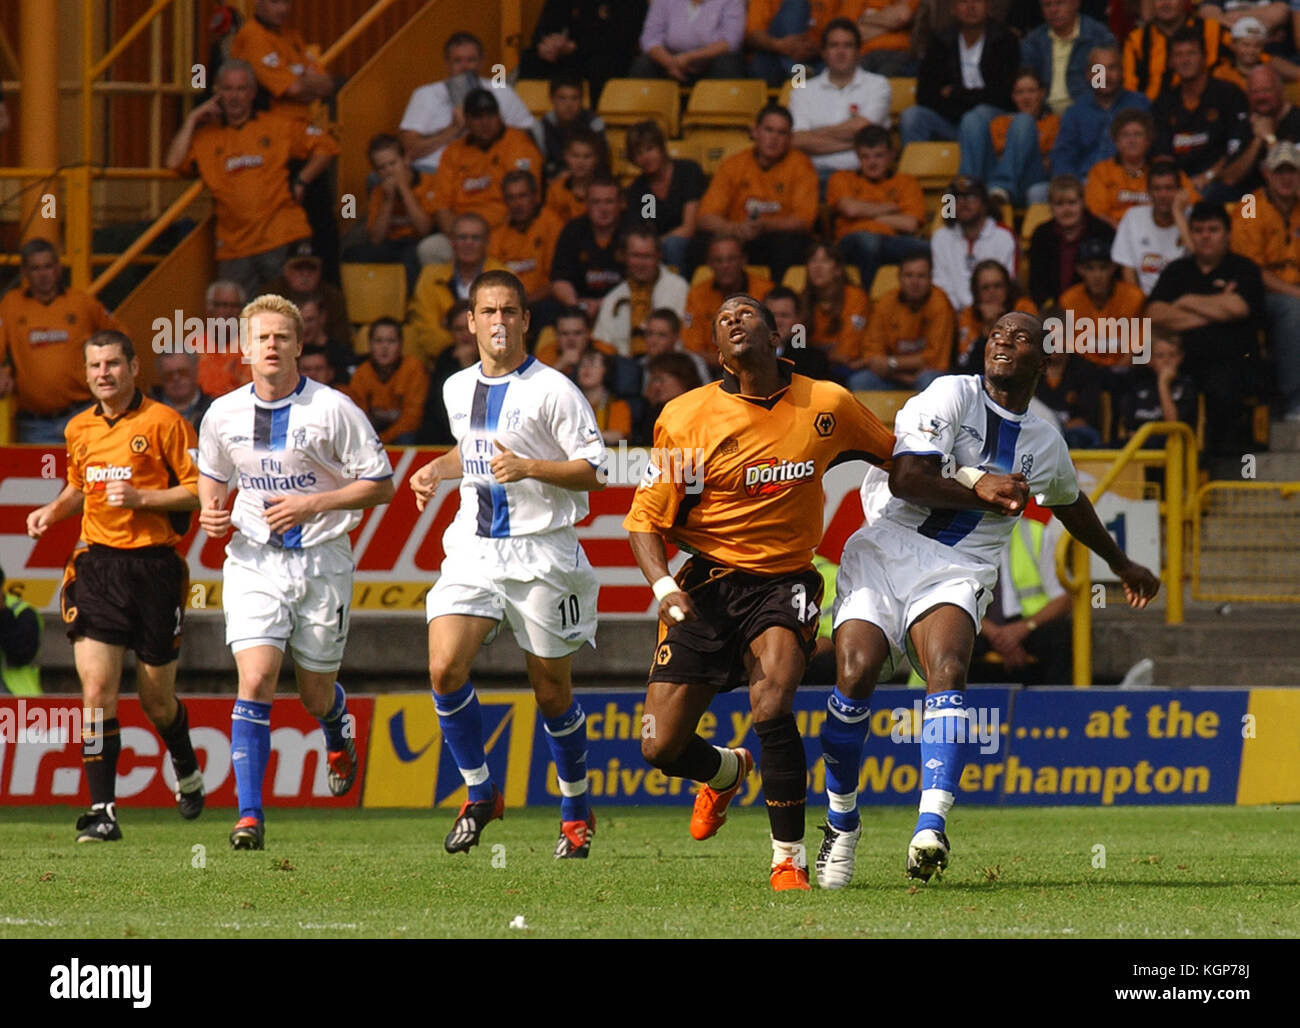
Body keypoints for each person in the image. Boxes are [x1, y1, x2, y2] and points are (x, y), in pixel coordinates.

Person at [816, 310, 1160, 889]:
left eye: (1021, 337)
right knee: (855, 674)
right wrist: (983, 486)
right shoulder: (950, 394)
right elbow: (906, 478)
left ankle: (931, 826)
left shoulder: (1046, 443)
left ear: (1043, 363)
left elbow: (1071, 503)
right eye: (997, 333)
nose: (1004, 341)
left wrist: (1121, 563)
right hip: (887, 546)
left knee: (948, 670)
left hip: (959, 567)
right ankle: (841, 823)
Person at [625, 292, 895, 891]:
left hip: (785, 580)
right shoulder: (685, 418)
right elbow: (645, 520)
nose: (733, 321)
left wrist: (969, 483)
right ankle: (725, 772)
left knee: (771, 704)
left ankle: (788, 861)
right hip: (706, 584)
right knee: (659, 747)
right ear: (719, 354)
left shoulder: (828, 403)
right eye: (722, 320)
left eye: (746, 313)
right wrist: (664, 583)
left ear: (776, 336)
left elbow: (899, 459)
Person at [407, 270, 606, 860]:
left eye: (509, 311)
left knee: (550, 693)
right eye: (487, 311)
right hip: (473, 549)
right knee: (444, 669)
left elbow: (595, 469)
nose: (498, 321)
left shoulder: (555, 390)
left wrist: (531, 468)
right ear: (470, 322)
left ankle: (574, 809)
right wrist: (435, 471)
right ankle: (481, 792)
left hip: (543, 553)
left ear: (525, 321)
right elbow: (471, 451)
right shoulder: (454, 388)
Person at [198, 294, 395, 850]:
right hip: (254, 560)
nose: (271, 346)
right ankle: (249, 816)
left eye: (282, 337)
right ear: (244, 347)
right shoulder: (223, 413)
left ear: (299, 346)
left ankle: (336, 726)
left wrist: (312, 505)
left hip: (322, 562)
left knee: (313, 693)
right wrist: (213, 513)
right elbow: (211, 472)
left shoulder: (333, 409)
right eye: (261, 337)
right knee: (256, 678)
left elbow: (382, 483)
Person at [26, 330, 206, 842]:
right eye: (94, 365)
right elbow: (82, 488)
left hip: (154, 572)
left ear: (132, 367)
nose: (103, 372)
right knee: (97, 689)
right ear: (86, 373)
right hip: (97, 568)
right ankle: (102, 809)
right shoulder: (77, 428)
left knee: (157, 701)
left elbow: (197, 492)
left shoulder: (165, 422)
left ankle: (186, 768)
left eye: (112, 363)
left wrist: (143, 499)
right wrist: (51, 510)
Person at [166, 59, 337, 297]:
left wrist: (302, 181)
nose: (234, 96)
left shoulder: (277, 127)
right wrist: (192, 119)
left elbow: (326, 146)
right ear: (218, 93)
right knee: (235, 322)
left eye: (241, 89)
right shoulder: (205, 138)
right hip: (234, 247)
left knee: (287, 314)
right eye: (227, 89)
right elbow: (174, 163)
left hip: (281, 236)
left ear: (252, 93)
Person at [229, 0, 339, 280]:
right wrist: (303, 84)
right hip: (271, 148)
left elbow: (326, 84)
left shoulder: (292, 36)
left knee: (323, 232)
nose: (283, 8)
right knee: (284, 245)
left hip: (302, 139)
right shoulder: (253, 37)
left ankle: (327, 304)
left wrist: (305, 86)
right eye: (274, 1)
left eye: (286, 2)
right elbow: (292, 87)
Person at [1148, 200, 1265, 455]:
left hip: (1232, 362)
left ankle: (1216, 459)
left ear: (1227, 234)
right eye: (1199, 230)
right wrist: (1215, 311)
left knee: (1221, 384)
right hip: (1182, 361)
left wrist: (1186, 301)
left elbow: (1239, 308)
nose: (1205, 236)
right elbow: (1155, 314)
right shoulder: (1177, 270)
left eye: (1213, 229)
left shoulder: (1244, 269)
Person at [0, 239, 125, 443]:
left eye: (48, 266)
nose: (43, 274)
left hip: (83, 413)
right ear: (24, 272)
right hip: (35, 424)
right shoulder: (10, 306)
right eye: (35, 268)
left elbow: (120, 337)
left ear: (58, 268)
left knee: (90, 473)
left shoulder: (82, 303)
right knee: (42, 476)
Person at [697, 104, 819, 282]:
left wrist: (765, 225)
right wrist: (735, 229)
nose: (774, 139)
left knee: (790, 244)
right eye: (769, 130)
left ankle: (779, 302)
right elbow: (705, 217)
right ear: (755, 132)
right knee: (699, 243)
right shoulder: (733, 164)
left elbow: (804, 221)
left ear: (790, 138)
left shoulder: (801, 165)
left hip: (777, 238)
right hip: (738, 235)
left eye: (781, 133)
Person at [423, 89, 543, 267]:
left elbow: (524, 200)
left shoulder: (518, 145)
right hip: (464, 234)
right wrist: (462, 238)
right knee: (429, 249)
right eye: (478, 117)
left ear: (499, 116)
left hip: (505, 229)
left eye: (490, 115)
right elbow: (442, 206)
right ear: (467, 120)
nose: (485, 123)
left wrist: (492, 239)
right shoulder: (453, 152)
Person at [399, 32, 534, 176]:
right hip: (433, 170)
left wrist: (489, 126)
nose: (464, 67)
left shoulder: (501, 92)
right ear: (447, 64)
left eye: (471, 60)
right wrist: (454, 128)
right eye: (457, 61)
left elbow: (528, 136)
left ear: (482, 62)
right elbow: (409, 150)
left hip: (488, 169)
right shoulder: (426, 94)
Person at [1231, 141, 1300, 421]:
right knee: (1293, 311)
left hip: (1294, 290)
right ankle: (1295, 401)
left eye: (1292, 172)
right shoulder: (1249, 205)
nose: (1286, 178)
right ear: (1266, 174)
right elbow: (1251, 271)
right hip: (1260, 293)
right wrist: (1296, 294)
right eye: (1279, 171)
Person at [901, 0, 1019, 148]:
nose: (971, 6)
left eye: (977, 2)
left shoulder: (1005, 40)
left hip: (991, 120)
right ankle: (913, 171)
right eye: (963, 1)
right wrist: (968, 100)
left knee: (975, 117)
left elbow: (1002, 95)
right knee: (912, 116)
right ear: (953, 8)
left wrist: (956, 93)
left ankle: (970, 172)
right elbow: (925, 95)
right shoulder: (940, 41)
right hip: (951, 120)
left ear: (987, 6)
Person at [971, 513, 1073, 684]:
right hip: (981, 625)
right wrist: (995, 634)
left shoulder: (1037, 534)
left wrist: (1024, 627)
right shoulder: (962, 538)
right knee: (955, 636)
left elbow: (1063, 600)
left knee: (1060, 635)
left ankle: (1057, 706)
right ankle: (958, 704)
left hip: (1028, 624)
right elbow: (953, 599)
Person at [1150, 27, 1250, 200]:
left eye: (1191, 53)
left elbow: (1236, 149)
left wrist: (1209, 176)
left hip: (1220, 183)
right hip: (1179, 186)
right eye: (1178, 55)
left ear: (1204, 57)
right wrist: (1182, 185)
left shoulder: (1228, 94)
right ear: (1171, 61)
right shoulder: (1163, 102)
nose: (1185, 60)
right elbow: (1162, 154)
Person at [788, 18, 892, 179]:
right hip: (814, 177)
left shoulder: (879, 85)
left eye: (848, 45)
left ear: (859, 52)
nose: (840, 52)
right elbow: (797, 140)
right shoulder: (802, 91)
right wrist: (856, 143)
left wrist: (814, 134)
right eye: (834, 45)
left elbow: (861, 128)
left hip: (863, 177)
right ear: (823, 52)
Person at [828, 125, 929, 290]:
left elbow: (910, 224)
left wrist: (864, 213)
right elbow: (850, 210)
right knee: (868, 241)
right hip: (851, 241)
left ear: (892, 155)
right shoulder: (841, 178)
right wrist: (890, 208)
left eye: (878, 156)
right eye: (865, 157)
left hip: (892, 242)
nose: (872, 163)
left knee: (928, 249)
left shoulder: (906, 182)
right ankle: (866, 299)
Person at [407, 213, 507, 365]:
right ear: (451, 242)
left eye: (475, 238)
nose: (468, 243)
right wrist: (456, 350)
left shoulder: (503, 278)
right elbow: (425, 330)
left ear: (487, 242)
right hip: (442, 362)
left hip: (494, 363)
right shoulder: (429, 277)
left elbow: (508, 328)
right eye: (462, 238)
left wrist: (475, 352)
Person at [344, 133, 439, 291]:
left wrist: (403, 188)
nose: (389, 171)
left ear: (406, 159)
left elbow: (424, 229)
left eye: (392, 163)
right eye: (382, 167)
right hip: (392, 243)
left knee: (410, 258)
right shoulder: (379, 192)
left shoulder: (429, 182)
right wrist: (388, 200)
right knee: (353, 254)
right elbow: (376, 239)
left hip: (418, 242)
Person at [854, 251, 956, 389]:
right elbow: (873, 354)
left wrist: (891, 363)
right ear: (899, 278)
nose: (914, 282)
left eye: (921, 276)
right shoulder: (886, 303)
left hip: (925, 375)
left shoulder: (940, 304)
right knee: (860, 381)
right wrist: (901, 375)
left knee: (929, 381)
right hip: (892, 375)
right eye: (908, 275)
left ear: (931, 279)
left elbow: (936, 360)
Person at [1051, 45, 1151, 183]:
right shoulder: (1075, 111)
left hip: (1132, 180)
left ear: (1122, 72)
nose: (1105, 76)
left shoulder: (1141, 104)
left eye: (1112, 68)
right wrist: (1073, 187)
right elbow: (1063, 156)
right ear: (1088, 74)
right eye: (1098, 69)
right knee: (1038, 192)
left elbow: (1153, 149)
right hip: (1085, 183)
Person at [518, 1, 647, 105]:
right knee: (530, 58)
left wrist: (576, 46)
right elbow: (544, 28)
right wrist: (545, 45)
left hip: (607, 54)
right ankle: (530, 120)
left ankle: (592, 123)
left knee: (600, 65)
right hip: (567, 53)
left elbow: (624, 38)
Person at [966, 67, 1059, 210]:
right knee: (971, 120)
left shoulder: (1054, 122)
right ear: (1013, 97)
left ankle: (1001, 187)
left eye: (1031, 91)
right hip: (993, 184)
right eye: (1019, 92)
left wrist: (1013, 150)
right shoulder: (1000, 122)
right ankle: (967, 191)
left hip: (1029, 180)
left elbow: (1050, 163)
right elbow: (992, 156)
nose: (1026, 97)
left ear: (1042, 93)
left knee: (1024, 121)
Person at [1084, 109, 1195, 228]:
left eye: (1138, 134)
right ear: (1116, 141)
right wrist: (1125, 234)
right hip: (1112, 235)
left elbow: (1193, 203)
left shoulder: (1167, 170)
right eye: (1125, 135)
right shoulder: (1101, 171)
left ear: (1148, 140)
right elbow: (1097, 213)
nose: (1132, 140)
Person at [623, 120, 707, 275]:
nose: (645, 158)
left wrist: (659, 243)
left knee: (673, 245)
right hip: (658, 250)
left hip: (695, 243)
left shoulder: (687, 171)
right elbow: (647, 230)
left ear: (661, 148)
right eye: (639, 154)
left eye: (650, 149)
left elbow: (689, 227)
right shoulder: (639, 189)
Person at [1057, 236, 1148, 375]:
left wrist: (1115, 370)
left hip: (1125, 373)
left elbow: (1138, 348)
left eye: (1103, 268)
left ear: (1113, 268)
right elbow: (1070, 349)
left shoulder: (1134, 297)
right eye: (1090, 268)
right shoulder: (1068, 300)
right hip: (1084, 374)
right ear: (1079, 270)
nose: (1097, 275)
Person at [593, 227, 689, 357]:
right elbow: (602, 344)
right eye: (635, 256)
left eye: (647, 256)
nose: (641, 263)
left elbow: (686, 340)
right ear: (625, 257)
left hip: (669, 363)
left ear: (659, 255)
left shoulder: (679, 288)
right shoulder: (613, 298)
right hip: (624, 368)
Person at [490, 170, 566, 330]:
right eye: (511, 197)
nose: (517, 204)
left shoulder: (552, 225)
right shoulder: (498, 234)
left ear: (535, 195)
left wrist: (523, 302)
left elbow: (554, 281)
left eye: (522, 196)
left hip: (540, 303)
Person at [682, 234, 775, 364]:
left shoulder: (765, 291)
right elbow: (692, 350)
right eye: (718, 260)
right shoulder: (697, 294)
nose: (725, 265)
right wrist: (733, 362)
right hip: (711, 370)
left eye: (731, 259)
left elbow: (772, 341)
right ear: (709, 264)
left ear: (743, 260)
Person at [930, 175, 1017, 311]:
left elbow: (1005, 283)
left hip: (994, 310)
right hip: (951, 313)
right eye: (957, 199)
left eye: (971, 197)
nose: (963, 203)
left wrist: (976, 313)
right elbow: (941, 283)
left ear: (984, 204)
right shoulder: (940, 237)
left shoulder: (1003, 237)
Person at [1028, 174, 1115, 306]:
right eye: (1059, 204)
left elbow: (1113, 278)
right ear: (1050, 207)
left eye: (1072, 202)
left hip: (1096, 308)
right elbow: (1037, 282)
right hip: (1053, 311)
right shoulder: (1041, 235)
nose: (1066, 209)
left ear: (1083, 203)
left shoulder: (1103, 232)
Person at [551, 175, 628, 323]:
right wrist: (577, 307)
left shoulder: (633, 231)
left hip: (621, 308)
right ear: (586, 204)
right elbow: (559, 280)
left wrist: (603, 305)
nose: (603, 209)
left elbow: (640, 281)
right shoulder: (572, 230)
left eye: (609, 202)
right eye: (596, 202)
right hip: (579, 307)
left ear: (621, 204)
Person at [1019, 0, 1118, 115]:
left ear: (1076, 3)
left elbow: (1101, 86)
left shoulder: (1098, 37)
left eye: (1060, 3)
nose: (1053, 10)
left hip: (1086, 112)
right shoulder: (1033, 42)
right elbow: (1028, 84)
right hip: (1044, 115)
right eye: (1047, 5)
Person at [1111, 158, 1193, 293]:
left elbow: (1201, 258)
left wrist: (1178, 214)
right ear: (1148, 192)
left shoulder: (1193, 218)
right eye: (1157, 189)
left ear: (1180, 191)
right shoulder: (1133, 217)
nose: (1163, 195)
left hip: (1183, 300)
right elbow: (1128, 271)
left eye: (1169, 188)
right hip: (1144, 303)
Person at [1124, 0, 1230, 102]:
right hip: (1152, 113)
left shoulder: (1212, 30)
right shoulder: (1136, 40)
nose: (1165, 3)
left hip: (1209, 108)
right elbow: (1129, 88)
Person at [345, 317, 429, 444]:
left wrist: (382, 440)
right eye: (378, 341)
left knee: (406, 437)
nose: (384, 347)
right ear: (370, 344)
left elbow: (412, 419)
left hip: (402, 435)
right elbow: (357, 417)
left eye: (391, 341)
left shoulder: (414, 368)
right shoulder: (362, 372)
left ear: (401, 344)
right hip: (371, 435)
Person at [1221, 64, 1300, 198]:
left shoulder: (1297, 120)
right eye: (1255, 92)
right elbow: (1230, 179)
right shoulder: (1243, 124)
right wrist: (1257, 140)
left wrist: (1269, 138)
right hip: (1251, 201)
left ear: (1281, 92)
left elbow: (1294, 183)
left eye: (1266, 91)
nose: (1261, 97)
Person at [799, 241, 872, 376]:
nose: (817, 267)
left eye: (825, 261)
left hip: (846, 370)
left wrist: (815, 355)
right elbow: (797, 349)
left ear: (838, 269)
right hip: (811, 368)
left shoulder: (855, 297)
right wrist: (823, 357)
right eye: (813, 261)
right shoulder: (801, 300)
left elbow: (848, 353)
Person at [630, 0, 747, 83]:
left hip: (711, 61)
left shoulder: (732, 1)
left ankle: (718, 115)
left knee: (727, 64)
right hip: (670, 61)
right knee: (643, 65)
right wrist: (669, 62)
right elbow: (650, 38)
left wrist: (690, 57)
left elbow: (731, 40)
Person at [955, 259, 1038, 373]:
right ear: (976, 292)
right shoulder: (968, 314)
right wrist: (986, 330)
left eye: (998, 286)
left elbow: (1030, 354)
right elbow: (964, 361)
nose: (992, 292)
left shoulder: (1024, 308)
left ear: (1007, 288)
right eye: (985, 287)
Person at [1116, 328, 1199, 438]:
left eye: (1172, 355)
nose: (1166, 360)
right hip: (1139, 445)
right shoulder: (1138, 385)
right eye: (1160, 356)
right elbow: (1130, 428)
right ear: (1150, 360)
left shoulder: (1187, 386)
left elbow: (1173, 428)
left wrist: (1163, 384)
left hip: (1171, 447)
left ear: (1180, 357)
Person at [419, 300, 481, 445]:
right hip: (447, 435)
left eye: (469, 328)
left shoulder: (496, 358)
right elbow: (439, 407)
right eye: (459, 329)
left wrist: (468, 366)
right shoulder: (445, 358)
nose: (465, 335)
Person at [529, 74, 610, 184]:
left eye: (574, 98)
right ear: (551, 99)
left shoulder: (595, 125)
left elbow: (602, 166)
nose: (568, 105)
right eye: (562, 98)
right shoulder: (540, 128)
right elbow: (537, 170)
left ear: (582, 100)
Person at [745, 0, 830, 85]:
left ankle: (795, 70)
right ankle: (794, 67)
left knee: (836, 65)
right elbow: (753, 36)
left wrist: (812, 48)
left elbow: (840, 34)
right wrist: (781, 46)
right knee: (796, 3)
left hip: (815, 61)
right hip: (771, 62)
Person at [196, 279, 253, 399]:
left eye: (234, 306)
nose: (228, 311)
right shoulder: (193, 345)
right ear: (209, 309)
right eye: (222, 305)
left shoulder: (252, 348)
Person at [768, 285, 834, 380]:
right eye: (772, 315)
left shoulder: (814, 360)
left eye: (784, 315)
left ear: (798, 319)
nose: (777, 321)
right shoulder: (749, 356)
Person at [544, 127, 608, 224]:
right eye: (575, 156)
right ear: (566, 156)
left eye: (587, 156)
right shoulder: (556, 190)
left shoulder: (606, 191)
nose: (580, 162)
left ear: (597, 158)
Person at [640, 307, 712, 388]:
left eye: (661, 335)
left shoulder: (693, 362)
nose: (653, 341)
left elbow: (707, 393)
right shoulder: (639, 366)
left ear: (676, 337)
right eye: (649, 334)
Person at [576, 347, 634, 444]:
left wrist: (585, 439)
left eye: (593, 364)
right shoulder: (570, 403)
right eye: (583, 364)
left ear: (606, 371)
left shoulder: (618, 405)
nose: (587, 368)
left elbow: (618, 436)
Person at [1, 563, 42, 697]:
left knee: (96, 713)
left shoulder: (22, 612)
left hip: (16, 698)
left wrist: (2, 613)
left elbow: (22, 654)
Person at [152, 351, 213, 434]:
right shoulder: (149, 412)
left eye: (183, 372)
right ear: (161, 377)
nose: (176, 378)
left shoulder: (213, 409)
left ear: (195, 371)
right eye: (169, 374)